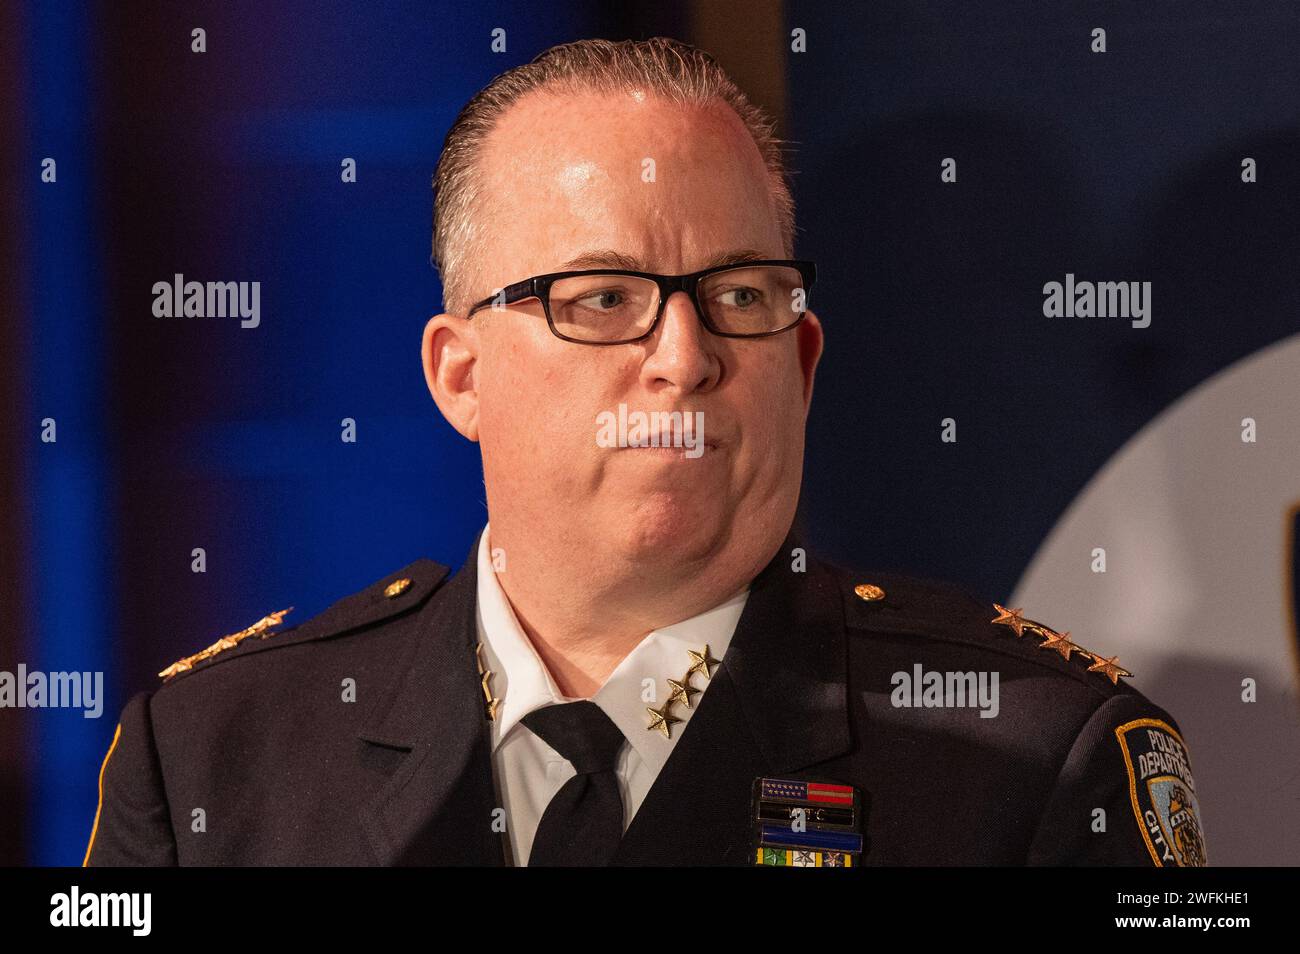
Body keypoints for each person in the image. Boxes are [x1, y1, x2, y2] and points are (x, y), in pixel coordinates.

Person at [83, 37, 1205, 867]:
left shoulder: (1045, 756)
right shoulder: (207, 759)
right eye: (603, 295)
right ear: (459, 376)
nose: (684, 356)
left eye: (739, 294)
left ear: (802, 365)